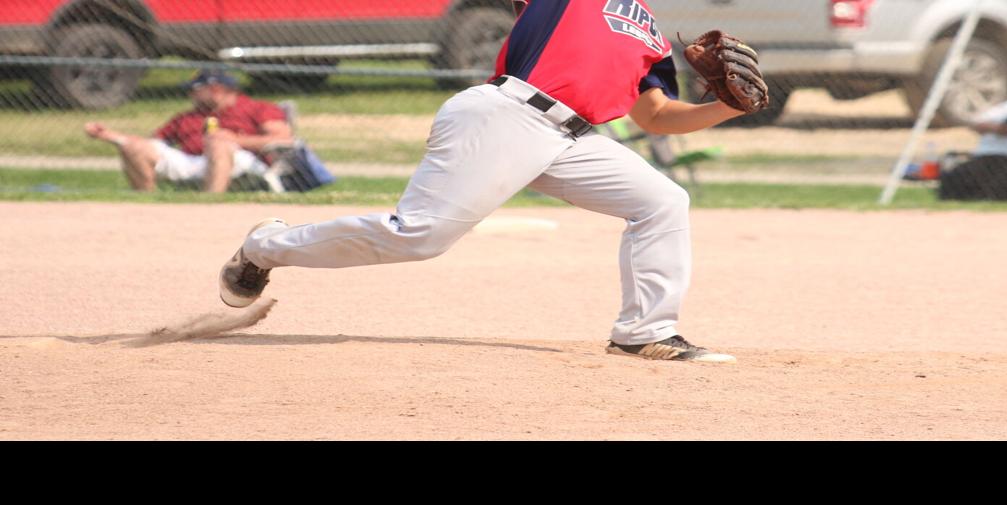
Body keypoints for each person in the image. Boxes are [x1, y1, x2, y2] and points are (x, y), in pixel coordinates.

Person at [218, 0, 756, 364]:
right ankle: (264, 246)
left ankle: (645, 333)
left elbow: (656, 115)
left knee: (662, 200)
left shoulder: (652, 35)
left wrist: (727, 108)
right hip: (506, 115)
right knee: (418, 237)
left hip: (573, 138)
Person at [83, 70, 293, 193]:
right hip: (193, 162)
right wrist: (108, 136)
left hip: (241, 160)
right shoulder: (187, 117)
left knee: (217, 144)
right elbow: (152, 144)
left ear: (216, 90)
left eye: (195, 90)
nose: (191, 95)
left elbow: (284, 139)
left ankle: (210, 203)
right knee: (134, 147)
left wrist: (234, 140)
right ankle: (148, 201)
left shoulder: (258, 108)